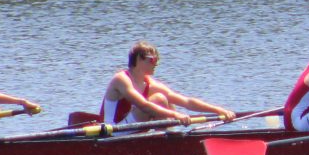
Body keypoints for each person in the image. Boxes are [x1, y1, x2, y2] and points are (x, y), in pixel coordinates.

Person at [100, 42, 235, 127]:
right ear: (138, 60)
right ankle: (167, 138)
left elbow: (186, 102)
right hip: (112, 131)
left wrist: (219, 110)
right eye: (152, 60)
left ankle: (169, 136)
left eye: (157, 59)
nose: (156, 63)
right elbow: (144, 106)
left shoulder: (149, 83)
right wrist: (177, 116)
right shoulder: (121, 79)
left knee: (165, 99)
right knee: (159, 99)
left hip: (130, 127)